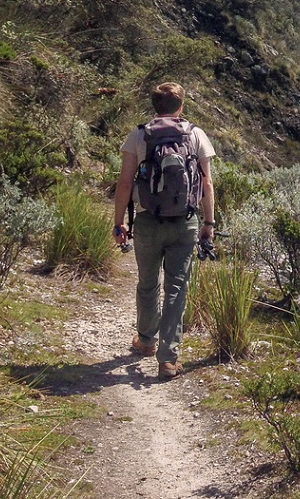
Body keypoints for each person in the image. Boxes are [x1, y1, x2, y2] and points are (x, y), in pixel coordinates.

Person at [113, 82, 216, 379]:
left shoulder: (139, 135)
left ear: (155, 106)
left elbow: (124, 182)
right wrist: (208, 224)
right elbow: (207, 183)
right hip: (185, 222)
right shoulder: (195, 134)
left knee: (147, 283)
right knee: (176, 289)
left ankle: (146, 341)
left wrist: (119, 221)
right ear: (181, 106)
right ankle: (168, 360)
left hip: (146, 221)